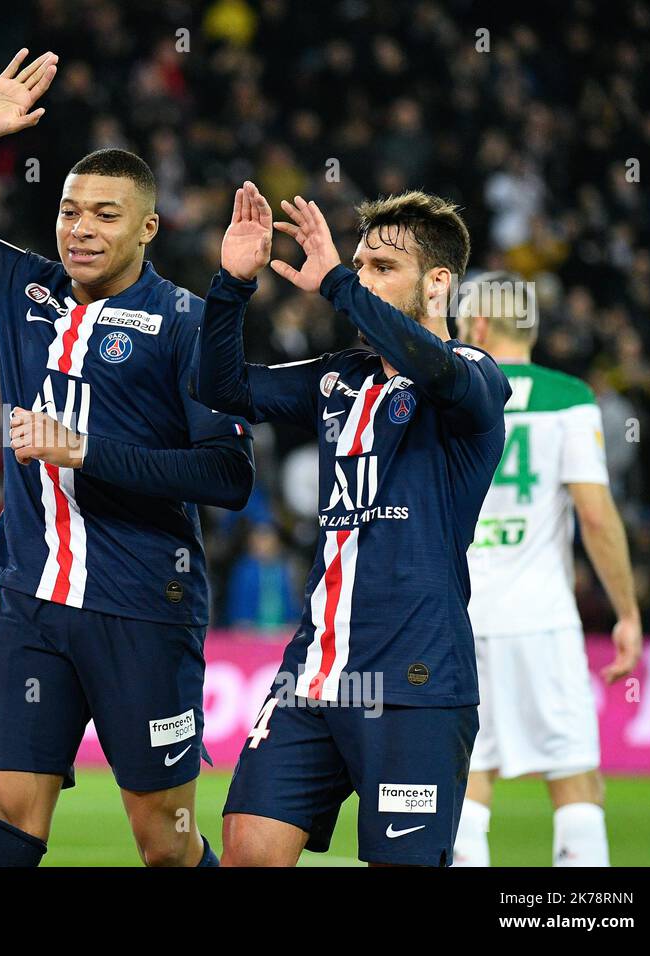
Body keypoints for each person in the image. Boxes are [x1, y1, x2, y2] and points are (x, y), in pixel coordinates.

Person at [0, 50, 253, 867]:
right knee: (7, 805)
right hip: (29, 595)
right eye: (70, 211)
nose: (81, 229)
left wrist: (88, 451)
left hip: (144, 603)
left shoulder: (189, 326)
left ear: (148, 227)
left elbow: (229, 475)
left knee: (165, 841)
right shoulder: (23, 288)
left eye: (106, 215)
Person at [197, 183, 509, 866]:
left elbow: (433, 364)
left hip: (414, 682)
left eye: (379, 267)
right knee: (248, 848)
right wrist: (230, 286)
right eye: (359, 263)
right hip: (312, 672)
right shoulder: (340, 378)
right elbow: (221, 388)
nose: (360, 276)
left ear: (437, 284)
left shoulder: (476, 380)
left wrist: (338, 282)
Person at [453, 271, 642, 867]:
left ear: (480, 325)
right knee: (576, 783)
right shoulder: (569, 397)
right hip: (540, 618)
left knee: (469, 783)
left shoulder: (454, 392)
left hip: (460, 618)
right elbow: (595, 513)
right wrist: (629, 612)